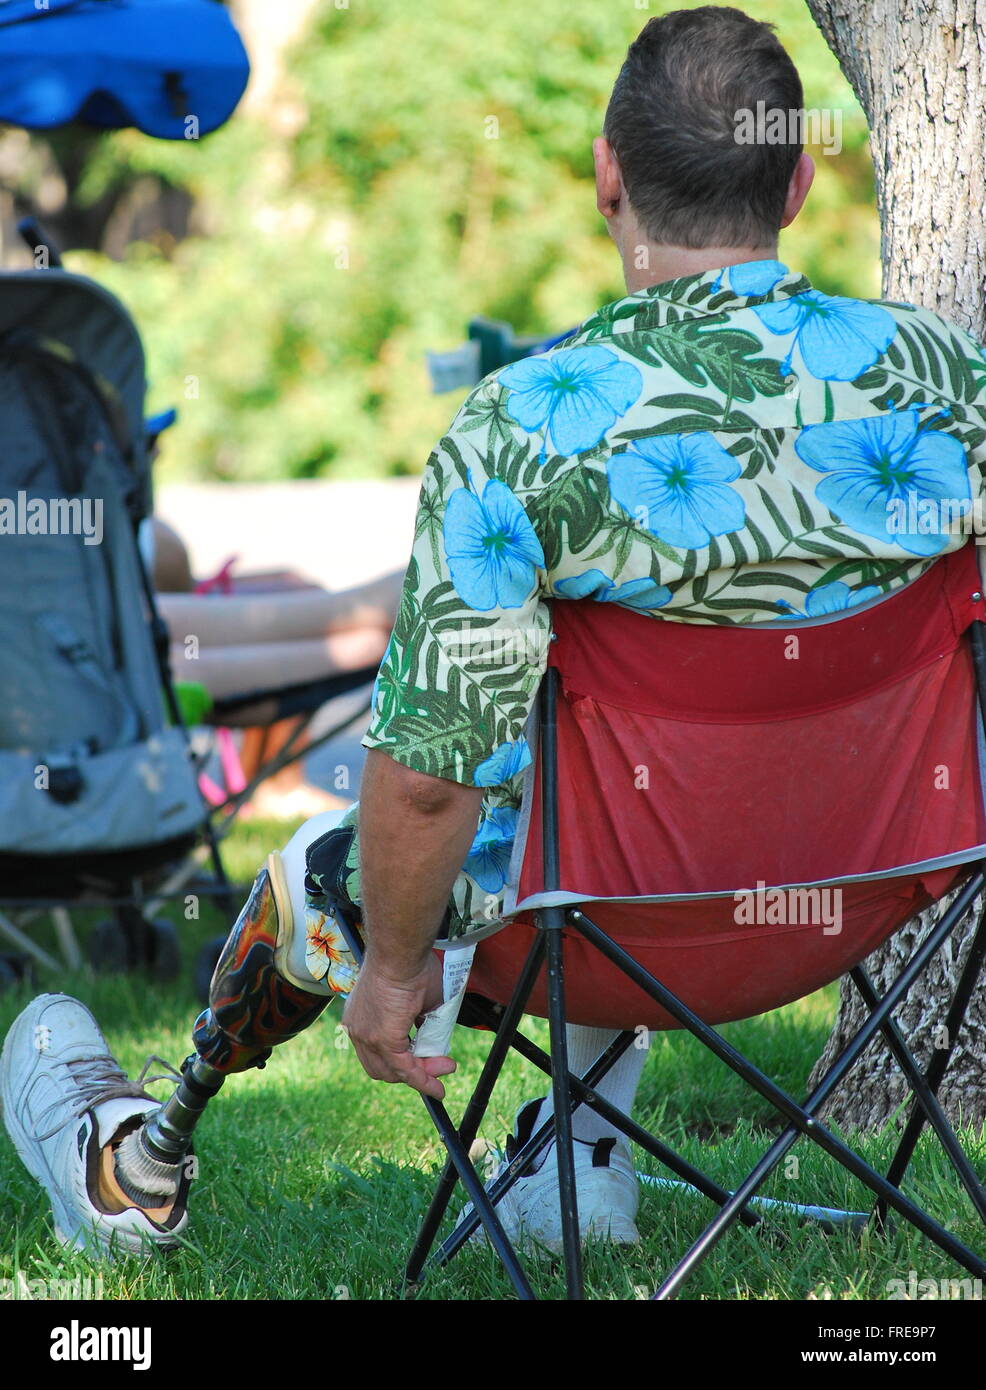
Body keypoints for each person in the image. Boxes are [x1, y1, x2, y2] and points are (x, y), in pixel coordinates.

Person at [6, 5, 986, 1258]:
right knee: (586, 791)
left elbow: (418, 791)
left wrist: (392, 974)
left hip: (601, 922)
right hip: (863, 893)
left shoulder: (521, 427)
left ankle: (138, 1164)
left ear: (605, 178)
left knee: (330, 862)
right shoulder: (947, 387)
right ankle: (579, 1154)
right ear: (796, 181)